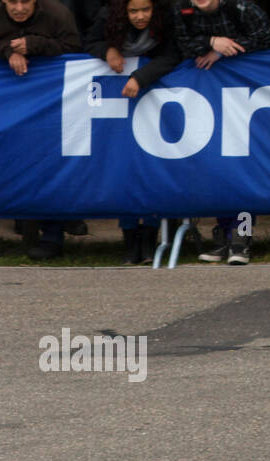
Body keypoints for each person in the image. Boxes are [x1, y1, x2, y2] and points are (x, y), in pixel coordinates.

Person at [0, 0, 80, 260]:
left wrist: (34, 45)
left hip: (52, 98)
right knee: (16, 161)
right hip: (8, 102)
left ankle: (54, 233)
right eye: (12, 2)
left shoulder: (58, 13)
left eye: (26, 2)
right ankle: (24, 220)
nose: (19, 8)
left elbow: (75, 48)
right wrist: (8, 51)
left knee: (52, 162)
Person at [174, 0, 270, 264]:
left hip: (245, 92)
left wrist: (223, 52)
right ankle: (224, 236)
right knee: (218, 166)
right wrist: (212, 41)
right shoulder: (182, 8)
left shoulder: (242, 7)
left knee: (243, 165)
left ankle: (243, 236)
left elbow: (265, 35)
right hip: (209, 92)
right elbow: (182, 43)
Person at [83, 0, 179, 264]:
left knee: (150, 168)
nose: (140, 17)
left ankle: (149, 240)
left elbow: (172, 55)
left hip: (152, 97)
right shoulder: (107, 16)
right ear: (122, 12)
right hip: (115, 101)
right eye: (133, 11)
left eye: (146, 10)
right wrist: (108, 50)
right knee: (121, 168)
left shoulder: (168, 19)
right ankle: (129, 241)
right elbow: (86, 41)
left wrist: (140, 77)